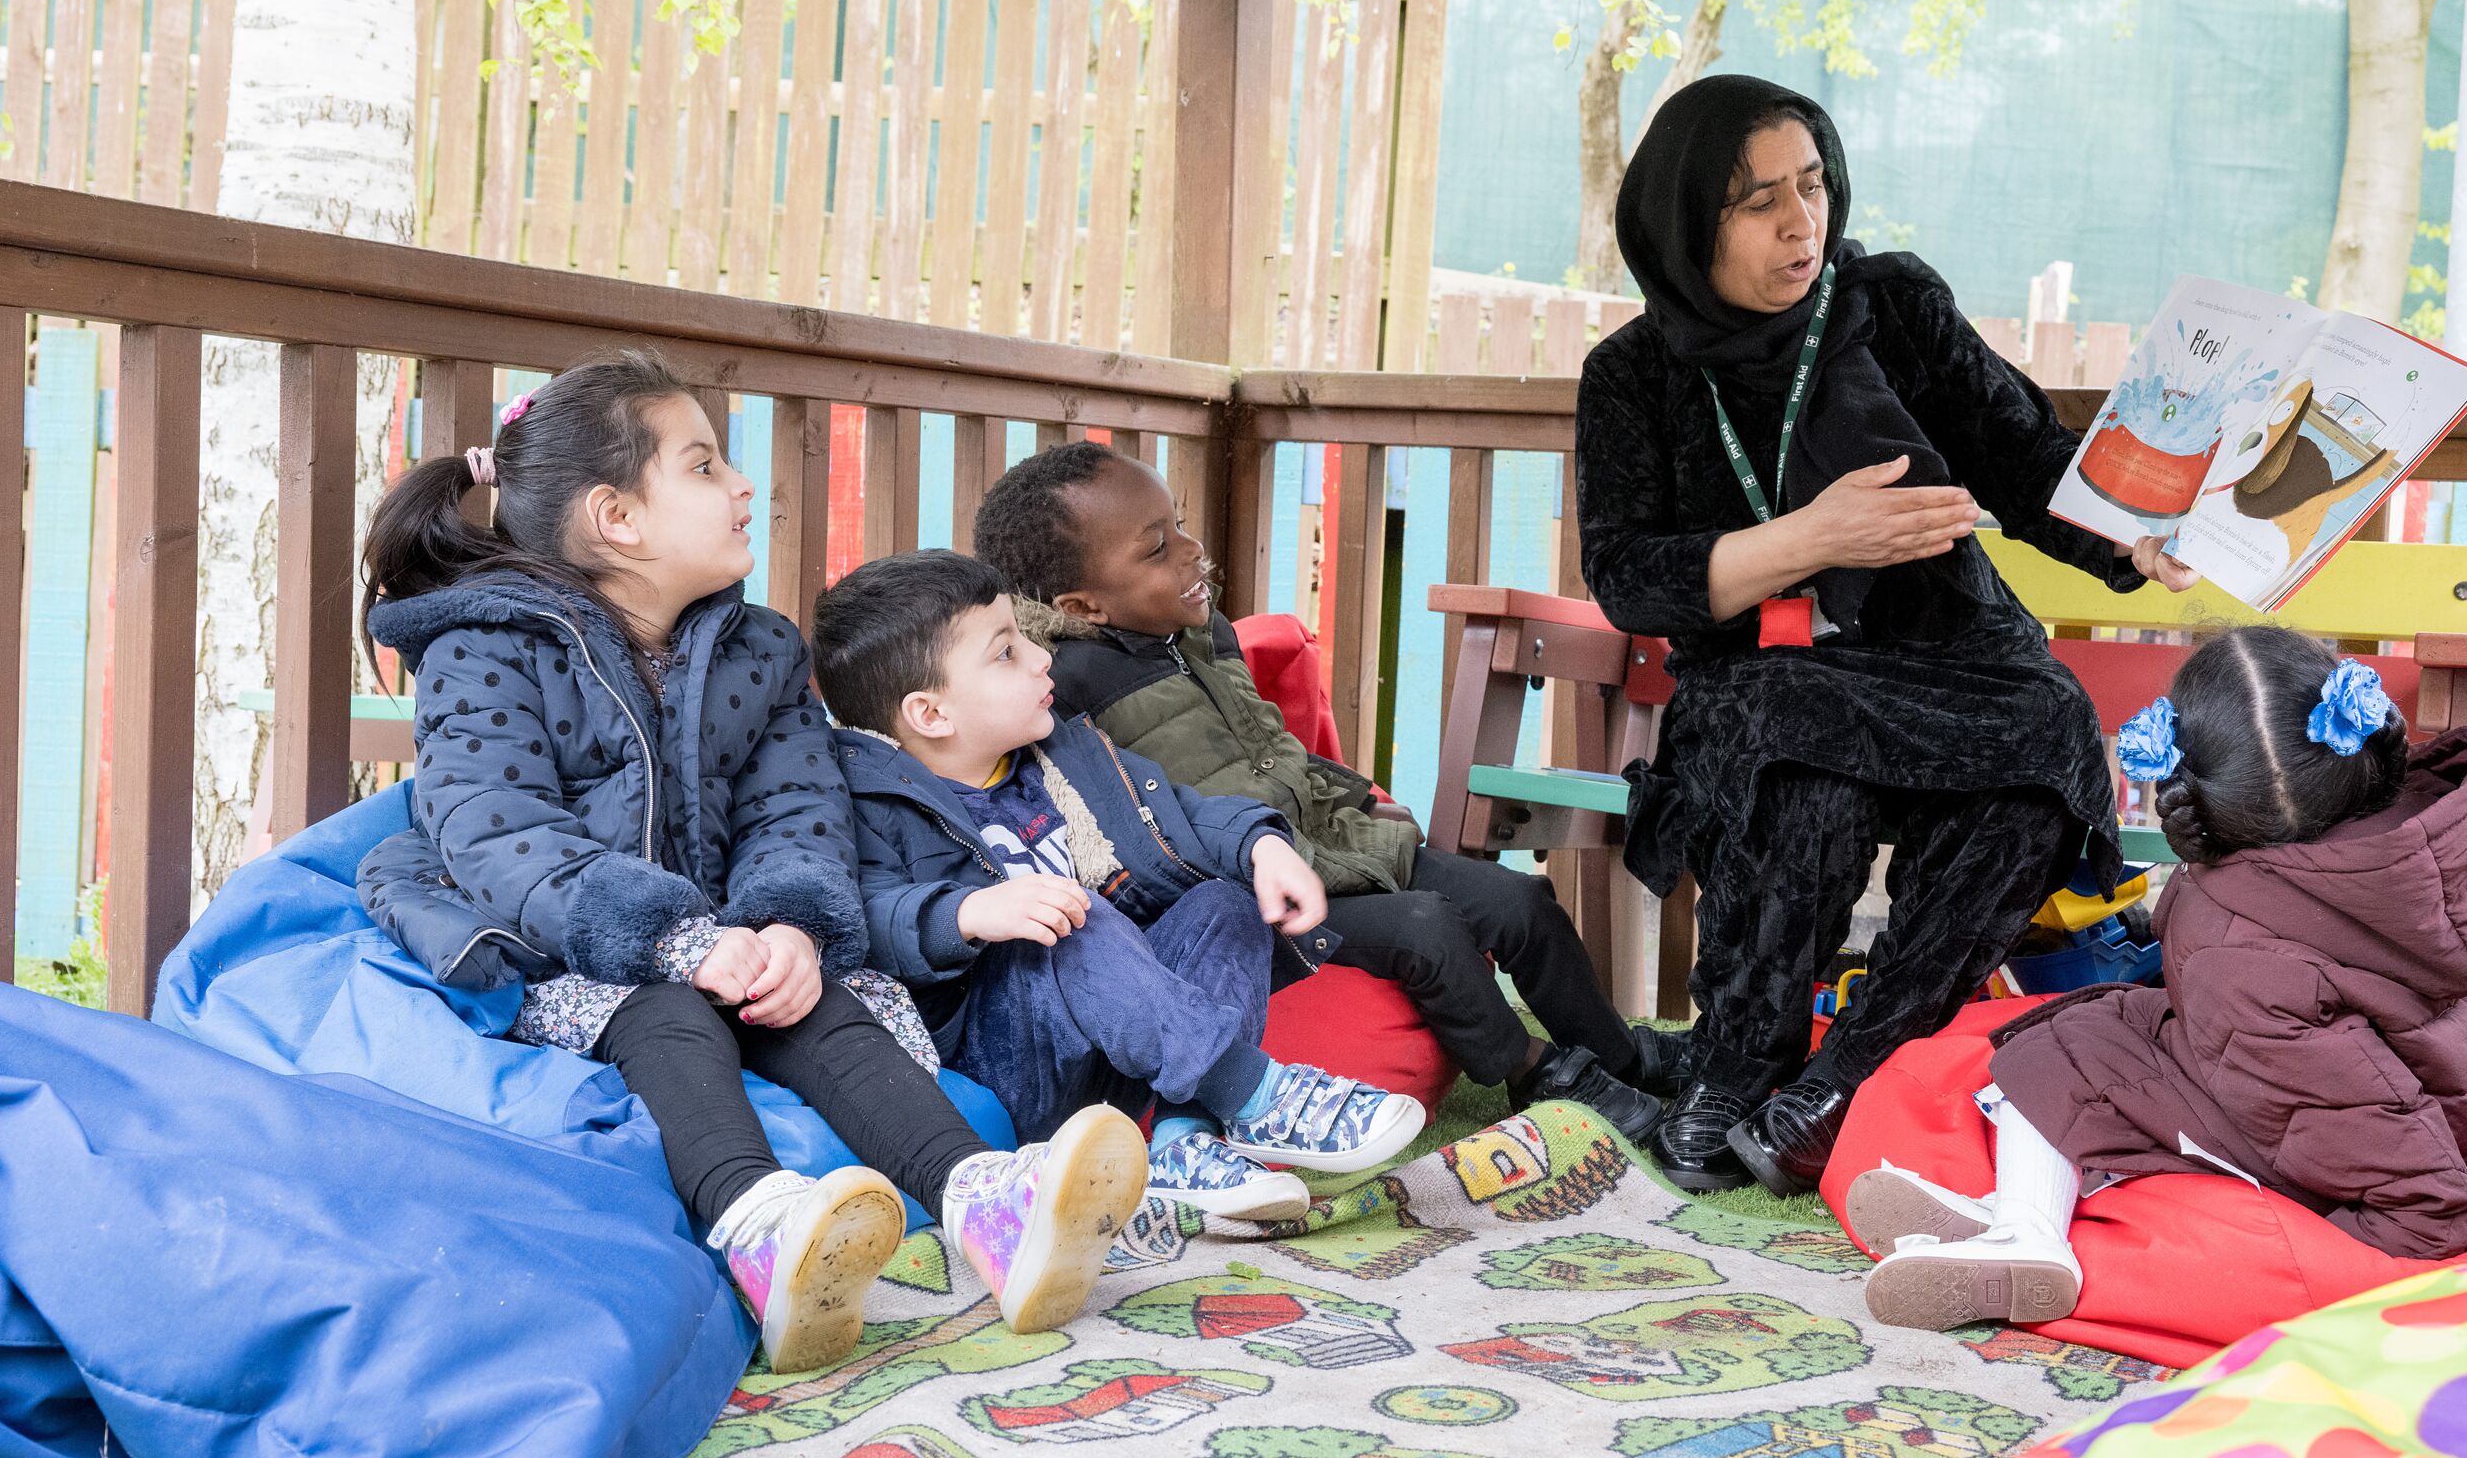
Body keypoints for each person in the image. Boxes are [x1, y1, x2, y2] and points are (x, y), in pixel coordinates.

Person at [355, 352, 1146, 1368]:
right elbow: (497, 833)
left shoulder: (758, 653)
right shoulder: (486, 653)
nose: (742, 487)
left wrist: (788, 923)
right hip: (554, 941)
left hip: (727, 924)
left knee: (813, 1003)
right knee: (667, 1011)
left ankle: (984, 1195)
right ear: (618, 519)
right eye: (704, 465)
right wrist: (676, 942)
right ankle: (759, 1222)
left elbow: (797, 808)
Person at [1576, 73, 2196, 1196]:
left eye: (1810, 183)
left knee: (2043, 744)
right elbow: (1628, 575)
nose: (1799, 221)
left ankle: (1846, 1080)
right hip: (1775, 679)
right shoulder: (1631, 376)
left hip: (1948, 659)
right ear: (1684, 224)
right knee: (1797, 754)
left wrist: (2137, 539)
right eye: (1756, 201)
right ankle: (1737, 1062)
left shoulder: (1892, 304)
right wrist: (1813, 534)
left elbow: (2025, 457)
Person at [970, 443, 1674, 1147]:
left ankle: (1619, 1057)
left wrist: (1358, 798)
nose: (1192, 550)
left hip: (1333, 842)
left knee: (1521, 901)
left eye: (1180, 523)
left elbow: (1268, 749)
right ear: (1082, 603)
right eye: (1158, 549)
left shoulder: (1201, 635)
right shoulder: (1068, 687)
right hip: (1256, 895)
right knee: (1426, 927)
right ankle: (1536, 1071)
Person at [1852, 628, 2467, 1327]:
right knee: (2105, 1023)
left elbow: (2401, 1174)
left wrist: (2415, 1211)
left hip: (2376, 1144)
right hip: (2442, 1087)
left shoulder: (2237, 944)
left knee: (2065, 1048)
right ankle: (2004, 1214)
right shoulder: (2450, 834)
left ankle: (2028, 1231)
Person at [813, 548, 1429, 1224]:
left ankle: (1181, 1145)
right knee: (1077, 916)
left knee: (1225, 901)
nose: (1042, 658)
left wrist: (1264, 844)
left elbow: (1186, 814)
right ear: (930, 714)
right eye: (1006, 653)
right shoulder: (867, 800)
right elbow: (856, 914)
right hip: (1002, 1063)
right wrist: (964, 911)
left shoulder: (1068, 757)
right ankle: (1257, 1094)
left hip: (1118, 1054)